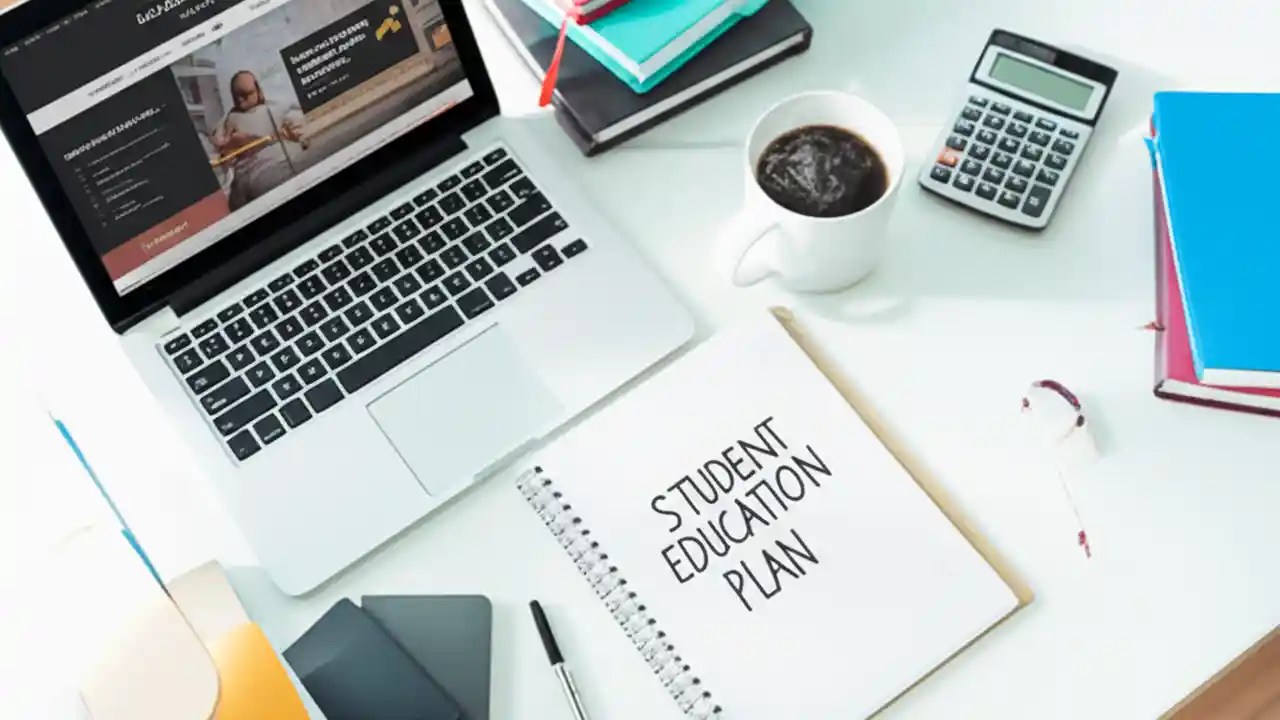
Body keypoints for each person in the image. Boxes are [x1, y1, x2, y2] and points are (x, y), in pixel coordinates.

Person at [210, 70, 307, 209]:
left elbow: (299, 129)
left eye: (244, 94)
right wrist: (227, 146)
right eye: (235, 96)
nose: (240, 100)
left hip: (281, 163)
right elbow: (221, 149)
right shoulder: (229, 119)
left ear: (258, 90)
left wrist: (296, 136)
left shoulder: (275, 108)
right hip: (251, 172)